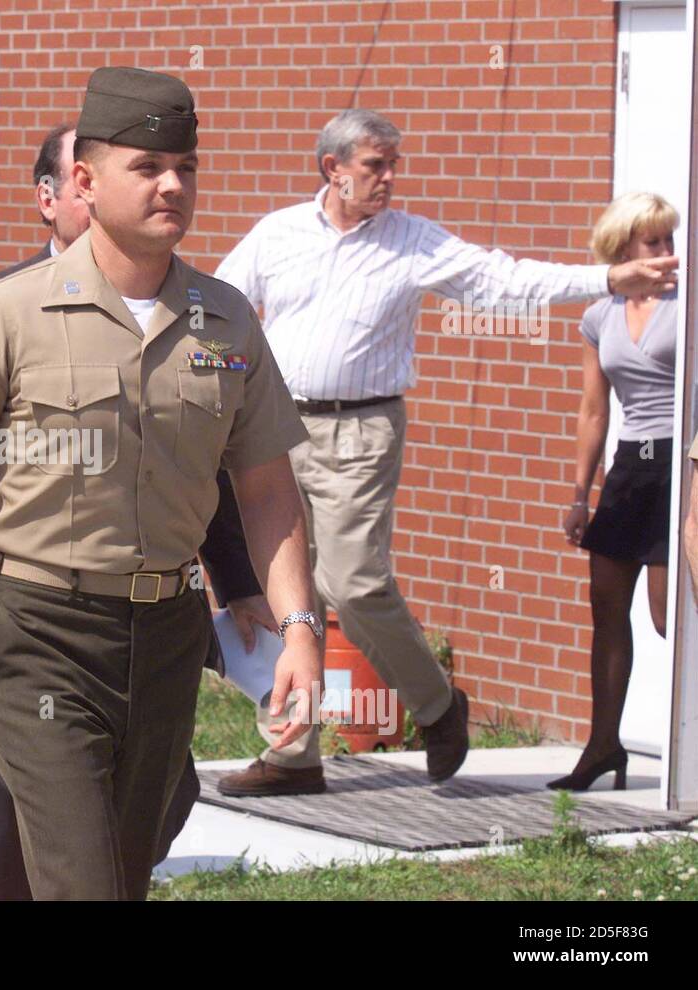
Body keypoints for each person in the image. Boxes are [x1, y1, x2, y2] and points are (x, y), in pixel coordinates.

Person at [0, 66, 323, 901]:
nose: (173, 185)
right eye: (148, 167)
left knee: (122, 874)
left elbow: (268, 490)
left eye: (186, 167)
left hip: (164, 636)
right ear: (83, 180)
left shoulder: (227, 321)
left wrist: (300, 628)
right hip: (39, 634)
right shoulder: (3, 315)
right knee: (85, 881)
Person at [213, 108, 680, 795]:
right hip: (277, 432)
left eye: (394, 164)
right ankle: (292, 755)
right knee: (294, 596)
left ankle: (436, 705)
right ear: (332, 170)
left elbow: (504, 280)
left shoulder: (413, 241)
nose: (390, 178)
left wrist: (606, 281)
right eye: (376, 165)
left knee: (353, 583)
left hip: (361, 433)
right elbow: (223, 309)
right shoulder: (276, 234)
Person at [555, 193, 680, 791]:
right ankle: (603, 746)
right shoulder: (600, 315)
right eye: (652, 242)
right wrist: (581, 494)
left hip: (681, 468)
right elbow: (592, 411)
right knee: (606, 608)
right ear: (623, 247)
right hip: (629, 470)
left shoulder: (688, 305)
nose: (665, 253)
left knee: (669, 616)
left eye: (668, 241)